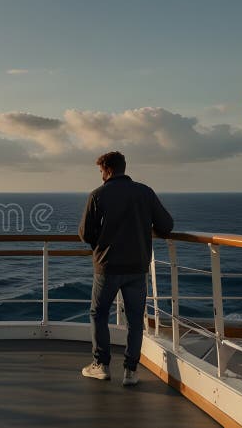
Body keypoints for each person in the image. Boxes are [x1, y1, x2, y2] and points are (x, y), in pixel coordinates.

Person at [78, 151, 173, 386]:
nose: (101, 176)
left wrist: (101, 243)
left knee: (98, 315)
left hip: (107, 267)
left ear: (108, 170)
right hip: (137, 267)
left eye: (101, 171)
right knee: (134, 320)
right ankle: (130, 371)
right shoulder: (145, 192)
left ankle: (101, 365)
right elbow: (166, 225)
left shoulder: (97, 195)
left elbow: (85, 234)